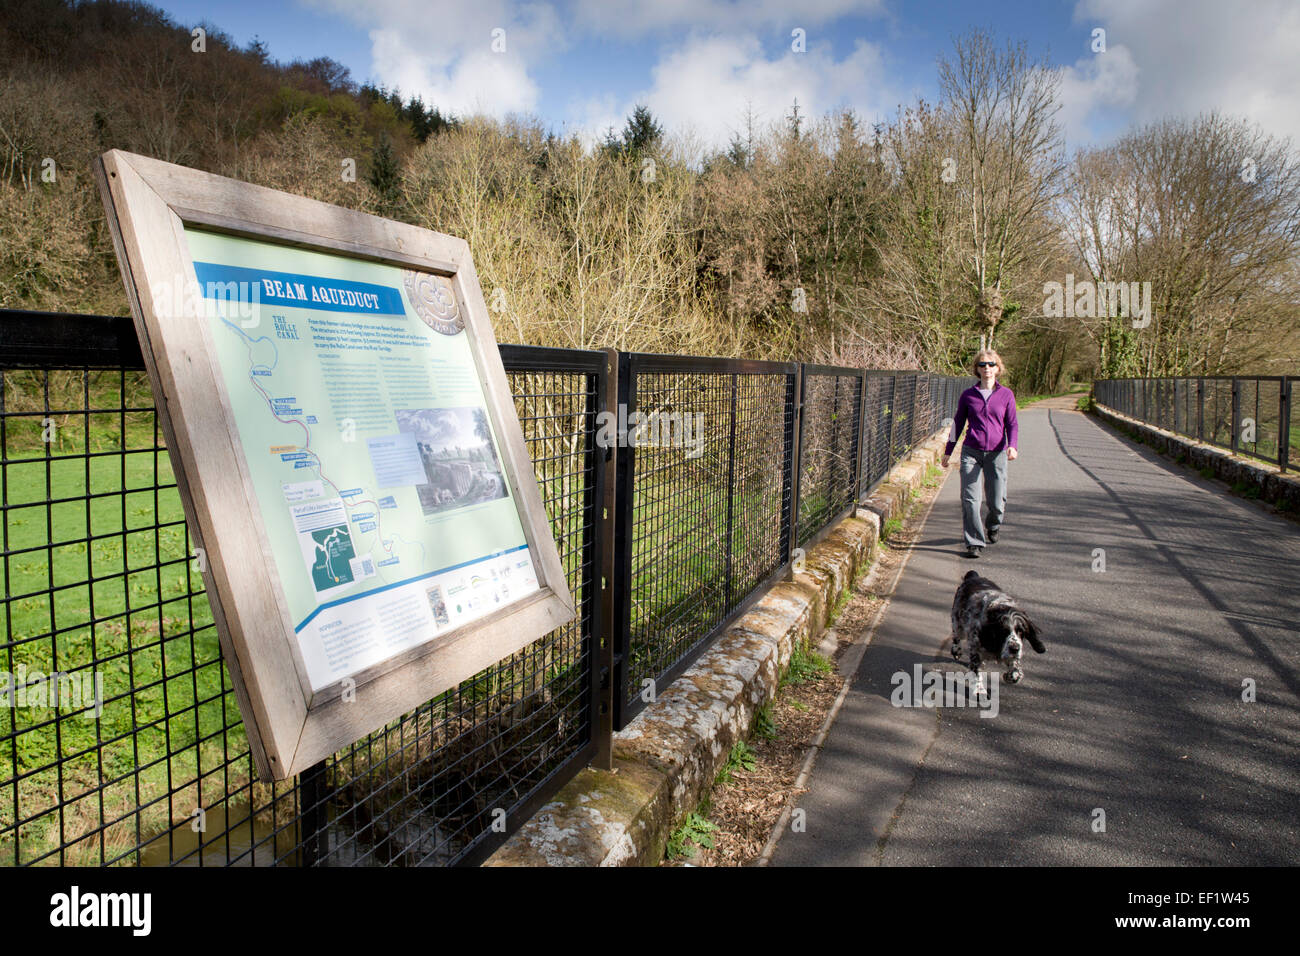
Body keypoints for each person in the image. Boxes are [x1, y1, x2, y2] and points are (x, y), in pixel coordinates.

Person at [941, 350, 1018, 558]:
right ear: (977, 369)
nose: (987, 368)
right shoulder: (968, 395)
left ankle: (993, 524)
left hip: (997, 453)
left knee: (996, 500)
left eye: (991, 364)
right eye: (982, 365)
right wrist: (948, 451)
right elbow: (958, 424)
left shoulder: (1006, 395)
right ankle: (974, 541)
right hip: (971, 452)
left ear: (998, 368)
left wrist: (1013, 445)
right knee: (970, 499)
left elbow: (1011, 424)